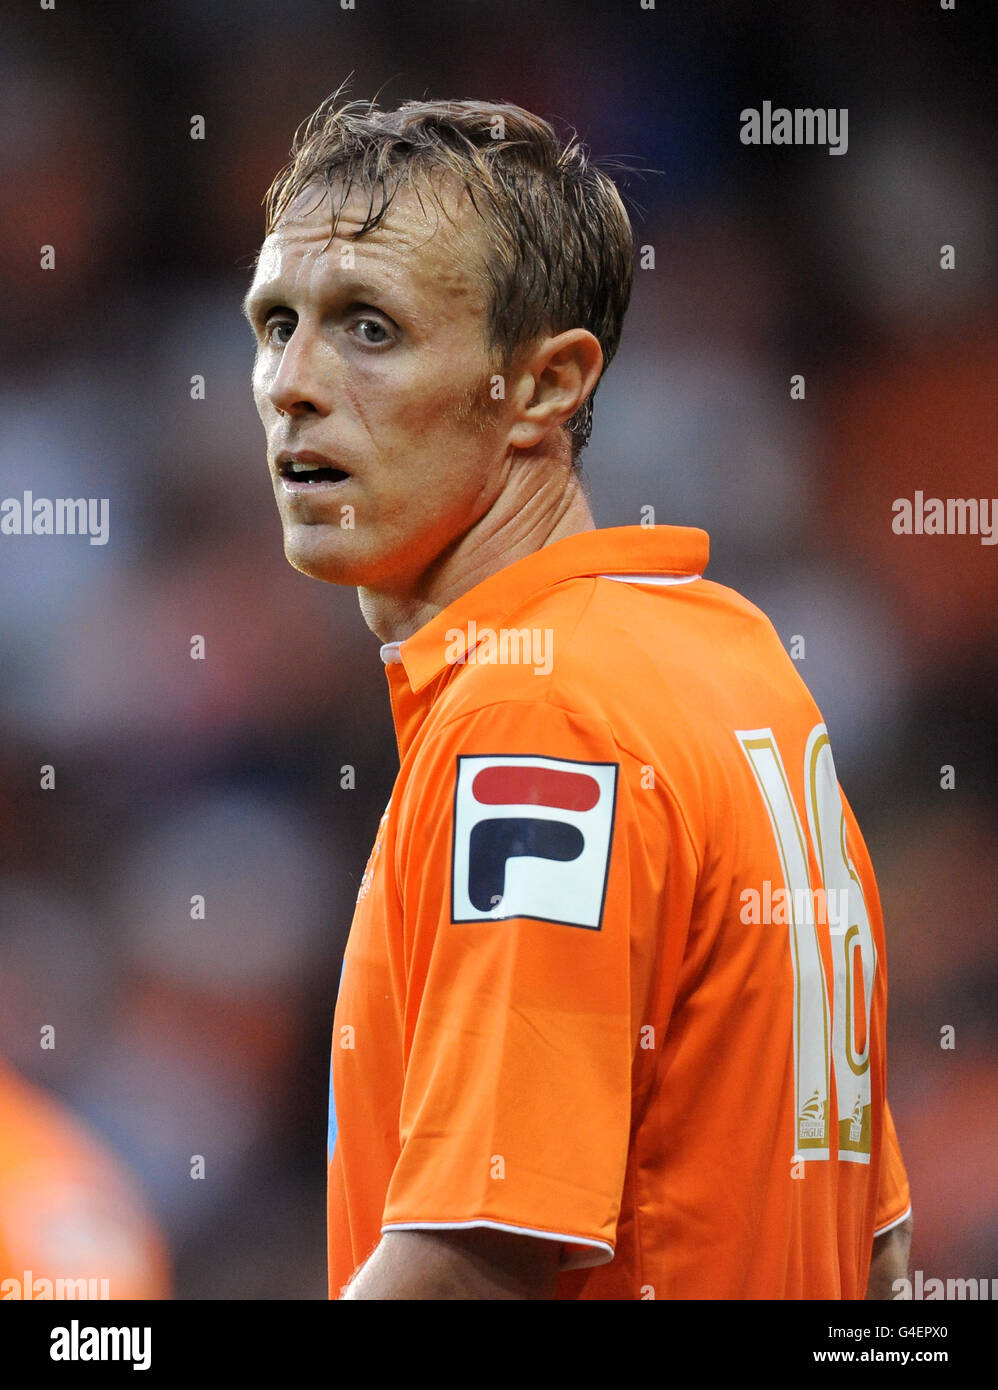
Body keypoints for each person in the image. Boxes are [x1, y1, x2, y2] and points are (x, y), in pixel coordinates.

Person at [244, 89, 912, 1300]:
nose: (290, 381)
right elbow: (877, 1244)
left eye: (369, 328)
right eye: (275, 321)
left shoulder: (531, 716)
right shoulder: (732, 658)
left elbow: (469, 1254)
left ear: (545, 386)